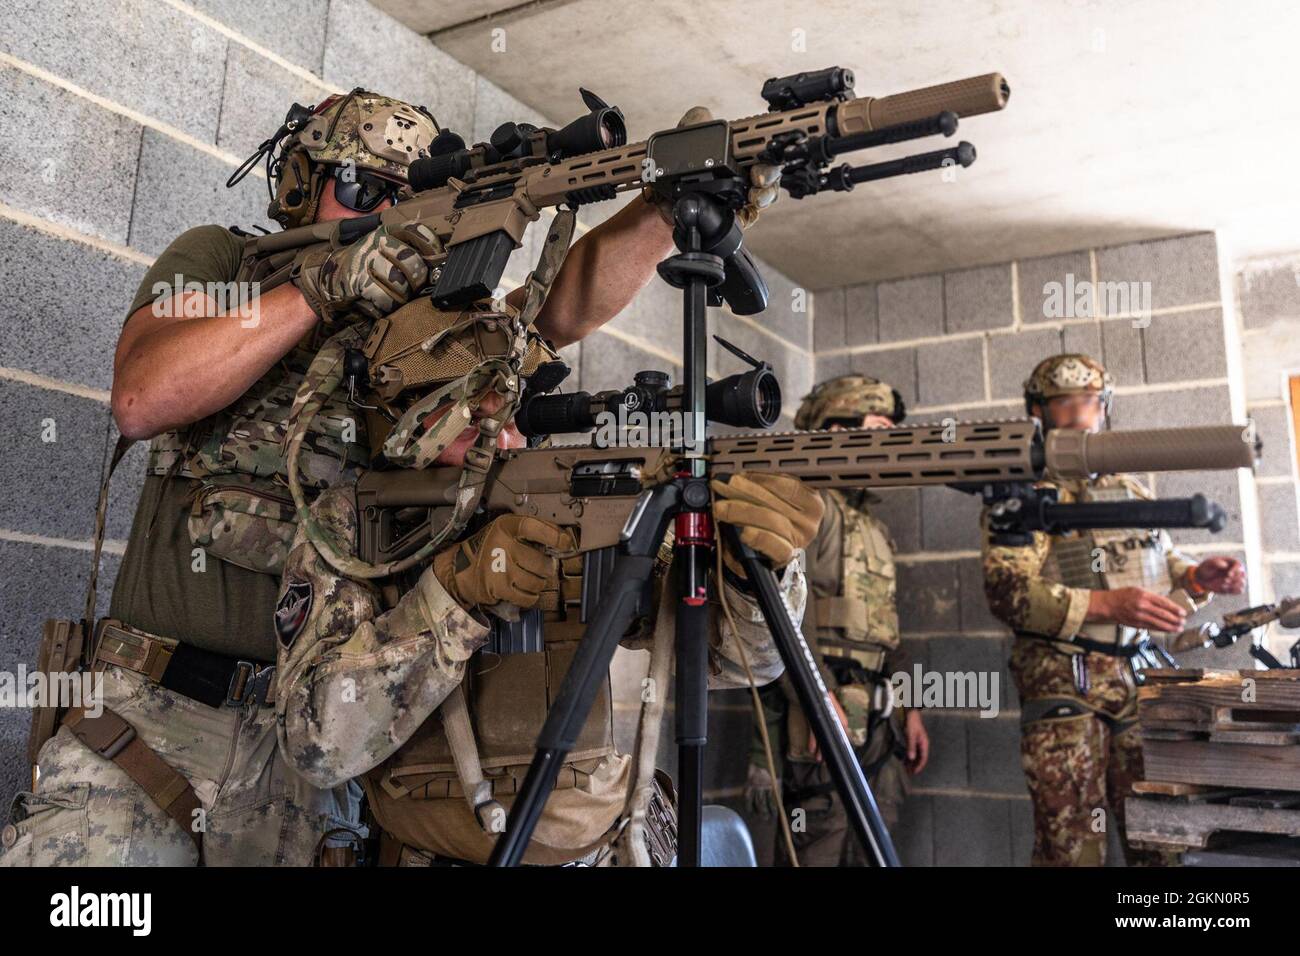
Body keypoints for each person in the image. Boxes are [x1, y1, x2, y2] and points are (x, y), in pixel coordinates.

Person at [3, 87, 740, 866]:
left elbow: (551, 309)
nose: (386, 212)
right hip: (147, 729)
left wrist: (669, 211)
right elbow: (142, 396)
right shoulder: (229, 263)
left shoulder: (424, 337)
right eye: (361, 189)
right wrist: (323, 289)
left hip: (323, 756)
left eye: (406, 199)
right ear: (301, 187)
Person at [270, 292, 822, 864]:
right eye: (474, 417)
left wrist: (754, 575)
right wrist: (451, 594)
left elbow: (743, 664)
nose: (505, 441)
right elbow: (317, 746)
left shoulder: (570, 499)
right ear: (403, 421)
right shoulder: (351, 524)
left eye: (514, 413)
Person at [982, 353, 1246, 866]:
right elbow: (1006, 591)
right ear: (1039, 413)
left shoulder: (1128, 487)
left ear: (1105, 408)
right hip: (1065, 681)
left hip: (1136, 681)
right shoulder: (1023, 494)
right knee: (1073, 846)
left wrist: (1196, 579)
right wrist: (1109, 604)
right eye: (1064, 402)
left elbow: (1158, 564)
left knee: (1159, 838)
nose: (1080, 413)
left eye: (1090, 400)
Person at [745, 375, 929, 866]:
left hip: (880, 721)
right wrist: (817, 694)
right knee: (821, 842)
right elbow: (781, 610)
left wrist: (910, 707)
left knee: (876, 843)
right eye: (876, 428)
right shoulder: (811, 507)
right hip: (824, 709)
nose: (888, 442)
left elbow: (889, 628)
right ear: (835, 428)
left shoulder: (875, 527)